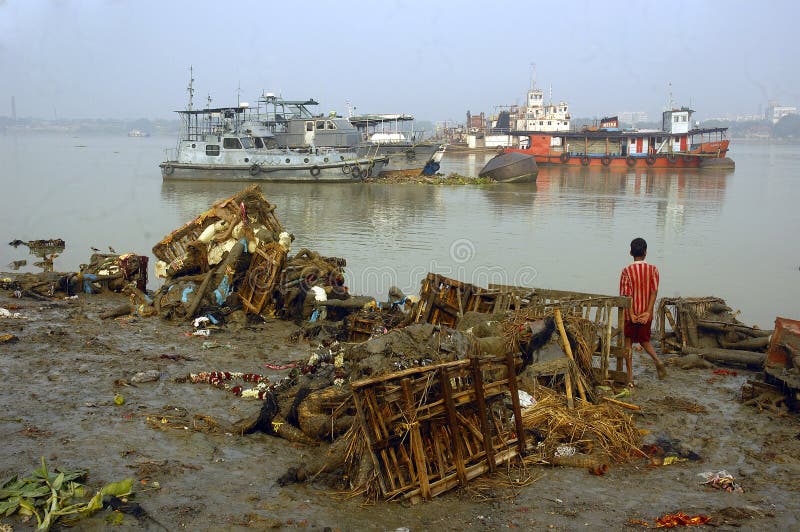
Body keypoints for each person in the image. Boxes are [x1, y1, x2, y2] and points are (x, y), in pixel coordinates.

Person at [619, 237, 667, 380]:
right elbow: (654, 292)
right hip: (646, 313)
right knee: (644, 340)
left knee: (628, 342)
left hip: (630, 314)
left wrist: (632, 313)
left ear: (630, 252)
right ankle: (658, 360)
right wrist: (648, 312)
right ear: (645, 252)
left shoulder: (626, 271)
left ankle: (630, 377)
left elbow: (626, 295)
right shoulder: (653, 270)